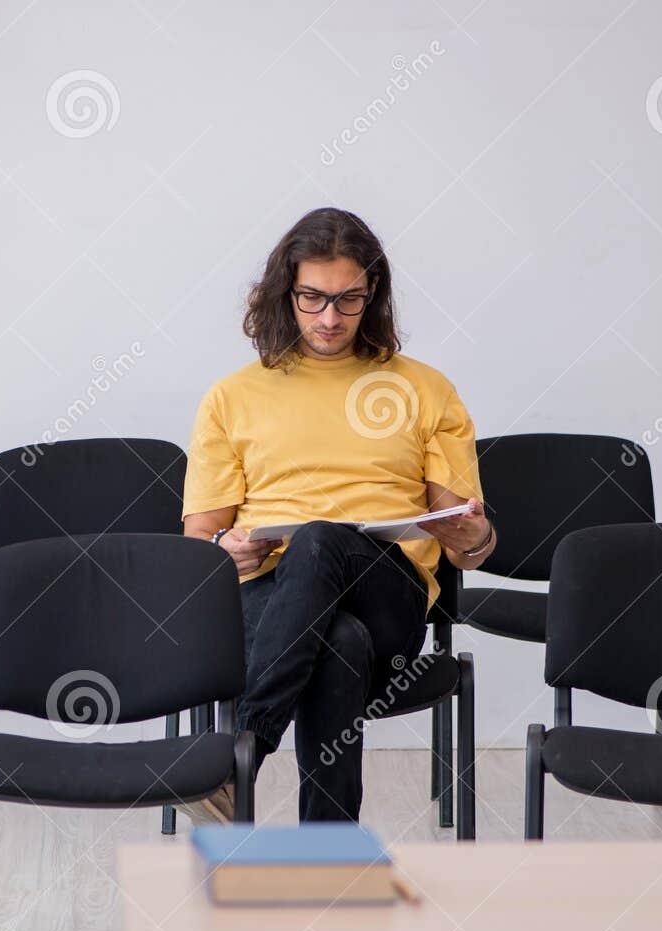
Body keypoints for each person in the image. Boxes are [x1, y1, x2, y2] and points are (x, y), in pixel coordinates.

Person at [181, 206, 494, 824]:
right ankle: (330, 862)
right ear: (285, 292)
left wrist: (476, 536)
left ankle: (239, 756)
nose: (329, 318)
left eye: (348, 299)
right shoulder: (231, 397)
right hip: (267, 599)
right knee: (337, 642)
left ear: (371, 292)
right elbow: (199, 542)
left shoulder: (427, 389)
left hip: (389, 599)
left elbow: (465, 542)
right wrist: (225, 547)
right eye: (313, 297)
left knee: (322, 542)